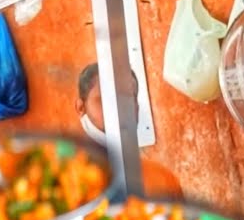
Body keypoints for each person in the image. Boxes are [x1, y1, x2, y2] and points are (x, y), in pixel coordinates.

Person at [76, 63, 183, 200]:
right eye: (106, 99)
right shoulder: (64, 183)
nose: (118, 109)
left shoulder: (164, 180)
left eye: (128, 98)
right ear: (81, 107)